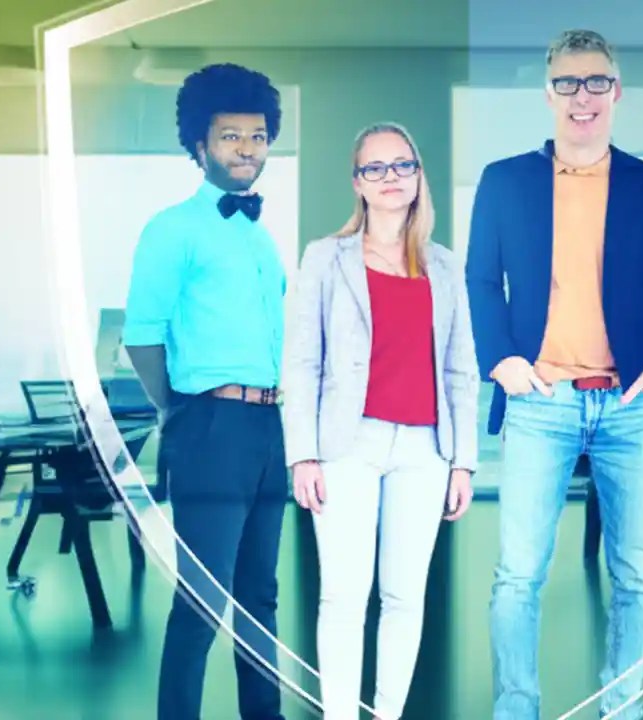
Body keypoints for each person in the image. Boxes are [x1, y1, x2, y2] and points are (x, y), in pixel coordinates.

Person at [465, 28, 643, 720]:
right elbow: (480, 278)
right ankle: (516, 710)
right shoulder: (505, 181)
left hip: (630, 405)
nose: (582, 96)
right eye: (568, 82)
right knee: (517, 578)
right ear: (549, 94)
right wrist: (502, 361)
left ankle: (620, 710)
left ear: (617, 92)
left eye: (596, 82)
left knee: (638, 580)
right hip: (540, 401)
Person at [282, 121, 479, 720]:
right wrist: (302, 454)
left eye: (401, 166)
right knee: (343, 596)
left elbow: (460, 370)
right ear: (358, 183)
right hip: (348, 445)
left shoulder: (444, 266)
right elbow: (301, 362)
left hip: (425, 451)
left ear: (418, 175)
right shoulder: (325, 258)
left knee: (404, 597)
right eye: (375, 168)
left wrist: (463, 461)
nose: (390, 178)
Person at [123, 63, 289, 720]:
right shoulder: (171, 230)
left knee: (261, 599)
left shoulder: (260, 237)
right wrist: (179, 414)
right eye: (230, 136)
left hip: (269, 430)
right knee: (201, 603)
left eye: (257, 135)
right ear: (200, 145)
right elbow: (142, 334)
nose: (246, 148)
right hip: (210, 426)